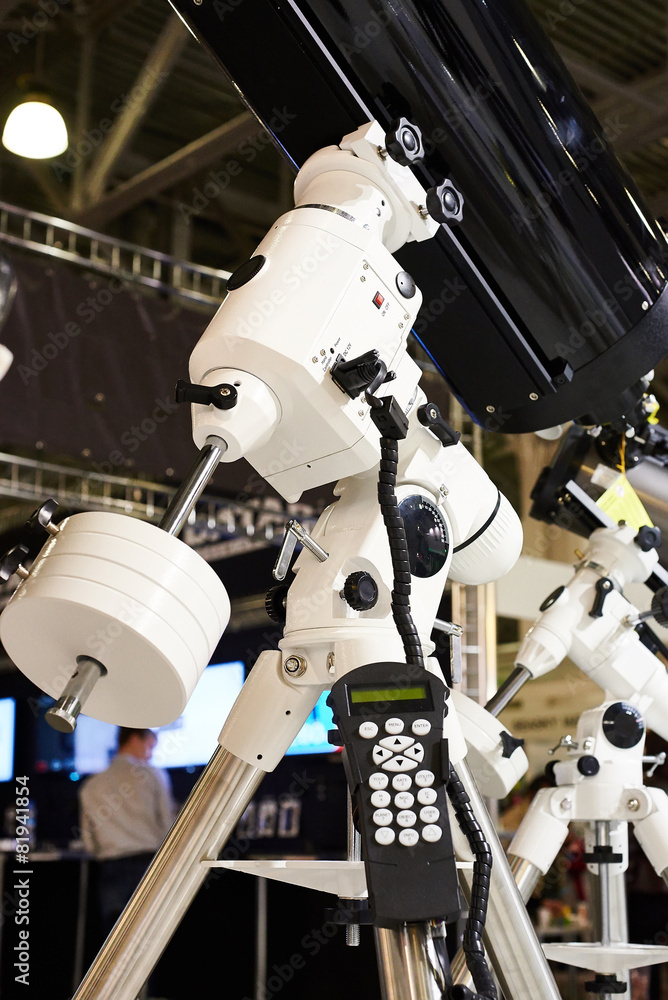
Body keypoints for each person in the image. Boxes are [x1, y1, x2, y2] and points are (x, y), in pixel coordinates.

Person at [80, 727, 175, 937]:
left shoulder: (90, 787)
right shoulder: (154, 775)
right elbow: (169, 829)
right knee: (148, 943)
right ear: (134, 739)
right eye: (150, 746)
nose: (151, 754)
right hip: (149, 869)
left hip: (110, 870)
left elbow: (89, 843)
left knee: (113, 947)